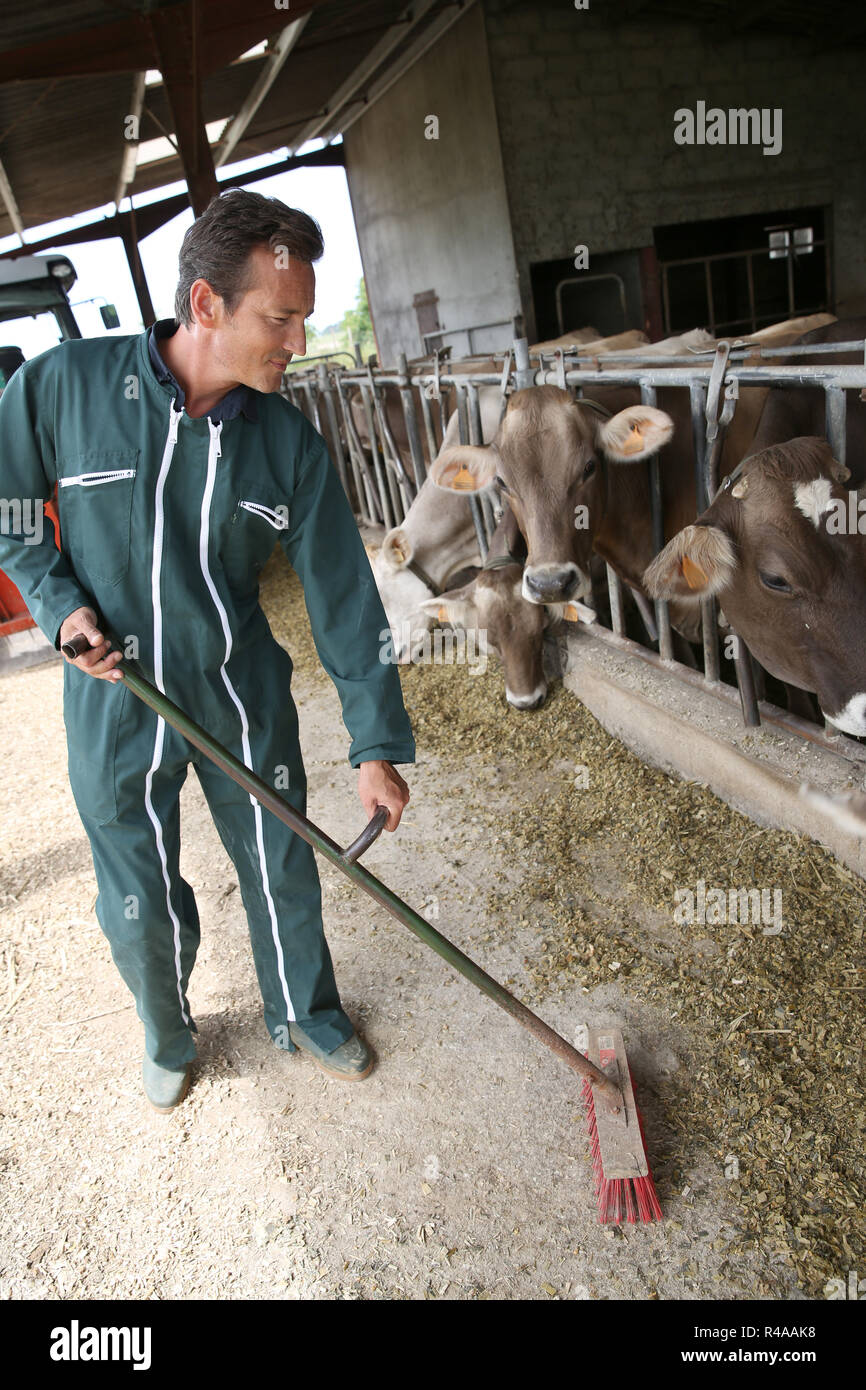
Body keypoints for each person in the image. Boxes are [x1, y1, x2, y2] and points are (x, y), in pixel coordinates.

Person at [0, 188, 415, 1110]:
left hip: (237, 687)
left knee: (280, 856)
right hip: (117, 696)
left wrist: (376, 743)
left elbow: (344, 595)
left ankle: (305, 1011)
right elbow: (9, 509)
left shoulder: (288, 446)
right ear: (204, 306)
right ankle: (167, 1028)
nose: (299, 342)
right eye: (282, 318)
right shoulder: (65, 385)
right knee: (136, 887)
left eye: (304, 317)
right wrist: (59, 604)